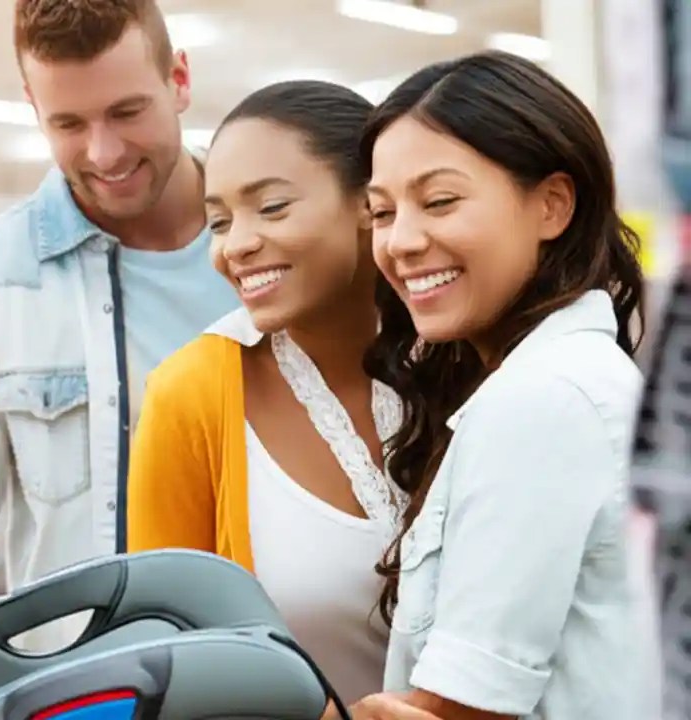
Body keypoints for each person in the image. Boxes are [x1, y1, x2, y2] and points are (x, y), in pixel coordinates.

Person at [0, 0, 238, 652]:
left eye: (127, 112)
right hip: (85, 687)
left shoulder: (275, 254)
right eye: (69, 123)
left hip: (270, 677)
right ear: (32, 105)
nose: (104, 153)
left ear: (180, 80)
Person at [349, 50, 653, 719]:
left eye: (439, 201)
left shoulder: (544, 399)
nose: (400, 240)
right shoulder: (560, 381)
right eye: (381, 211)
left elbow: (460, 709)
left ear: (551, 205)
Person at [126, 80, 406, 706]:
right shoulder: (191, 394)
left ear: (370, 201)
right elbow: (166, 649)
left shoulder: (464, 360)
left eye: (272, 207)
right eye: (220, 221)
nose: (236, 245)